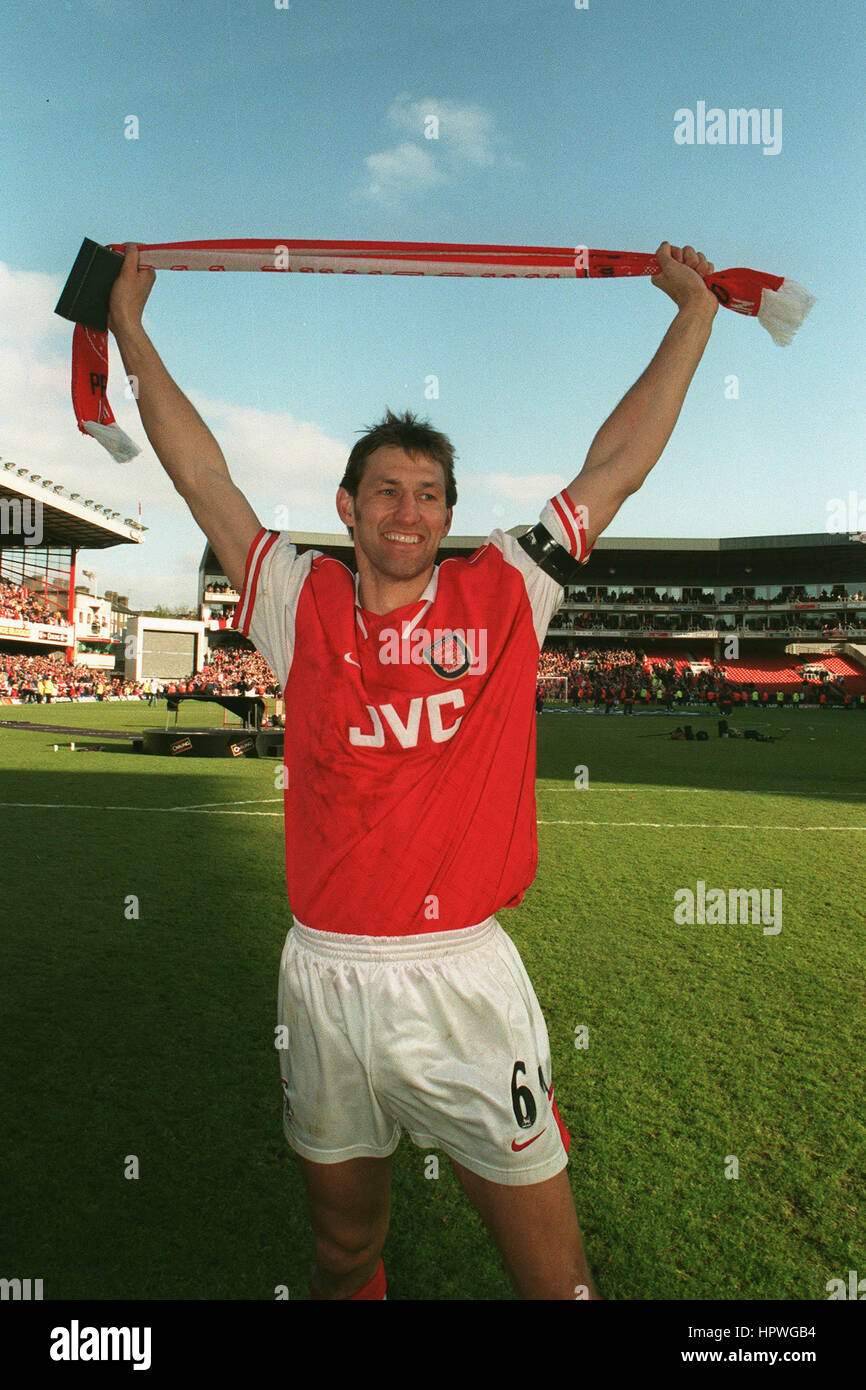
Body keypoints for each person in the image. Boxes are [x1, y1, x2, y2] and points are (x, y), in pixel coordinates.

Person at [107, 237, 718, 1302]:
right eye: (383, 491)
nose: (407, 511)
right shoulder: (298, 603)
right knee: (342, 1253)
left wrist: (693, 317)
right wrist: (129, 330)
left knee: (556, 1281)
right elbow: (200, 473)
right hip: (323, 974)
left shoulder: (506, 592)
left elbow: (613, 465)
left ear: (448, 511)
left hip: (461, 982)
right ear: (345, 508)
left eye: (428, 493)